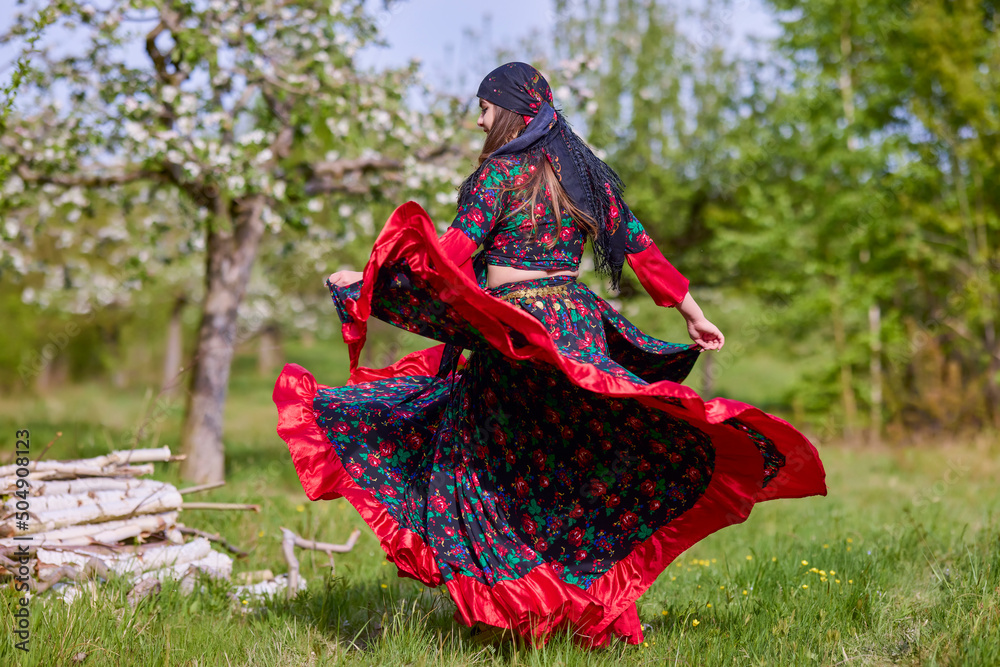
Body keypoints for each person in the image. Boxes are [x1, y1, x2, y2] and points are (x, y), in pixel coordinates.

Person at [273, 62, 826, 649]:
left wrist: (369, 279)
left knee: (492, 464)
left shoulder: (500, 175)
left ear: (510, 108)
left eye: (484, 106)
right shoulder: (582, 175)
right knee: (568, 462)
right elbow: (636, 242)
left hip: (518, 328)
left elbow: (452, 257)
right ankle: (580, 604)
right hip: (573, 324)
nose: (478, 118)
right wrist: (689, 307)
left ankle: (521, 607)